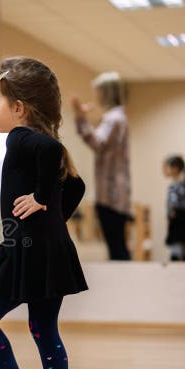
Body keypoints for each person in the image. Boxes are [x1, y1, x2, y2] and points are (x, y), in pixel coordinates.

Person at [0, 57, 88, 369]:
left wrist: (40, 199)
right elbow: (77, 186)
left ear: (18, 108)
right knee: (44, 327)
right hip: (51, 249)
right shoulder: (45, 143)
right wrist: (52, 216)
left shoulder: (21, 138)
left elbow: (52, 159)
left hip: (25, 248)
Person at [73, 72, 132, 260]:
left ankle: (125, 284)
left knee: (116, 246)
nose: (96, 97)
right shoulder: (116, 118)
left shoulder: (115, 119)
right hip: (112, 192)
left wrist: (81, 118)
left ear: (106, 93)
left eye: (98, 92)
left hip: (112, 193)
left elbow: (98, 144)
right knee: (116, 245)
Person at [163, 156, 185, 261]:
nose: (165, 170)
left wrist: (170, 214)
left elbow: (173, 204)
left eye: (167, 167)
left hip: (177, 220)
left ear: (175, 168)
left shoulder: (175, 186)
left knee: (176, 251)